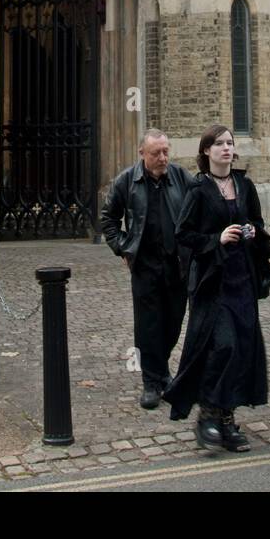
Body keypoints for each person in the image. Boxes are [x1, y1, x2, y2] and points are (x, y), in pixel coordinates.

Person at [163, 125, 270, 451]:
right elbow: (183, 234)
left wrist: (252, 231)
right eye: (219, 144)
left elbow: (258, 222)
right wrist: (217, 239)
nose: (226, 148)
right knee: (221, 346)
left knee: (241, 348)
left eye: (230, 143)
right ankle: (208, 415)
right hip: (213, 282)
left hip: (243, 278)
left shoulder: (244, 185)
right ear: (207, 151)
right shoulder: (198, 189)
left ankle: (226, 420)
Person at [100, 129, 193, 409]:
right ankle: (152, 383)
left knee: (174, 320)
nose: (163, 157)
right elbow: (108, 218)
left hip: (176, 263)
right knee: (148, 325)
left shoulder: (180, 177)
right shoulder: (127, 181)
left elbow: (198, 208)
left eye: (166, 151)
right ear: (143, 153)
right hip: (145, 264)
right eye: (156, 153)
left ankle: (161, 371)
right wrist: (122, 248)